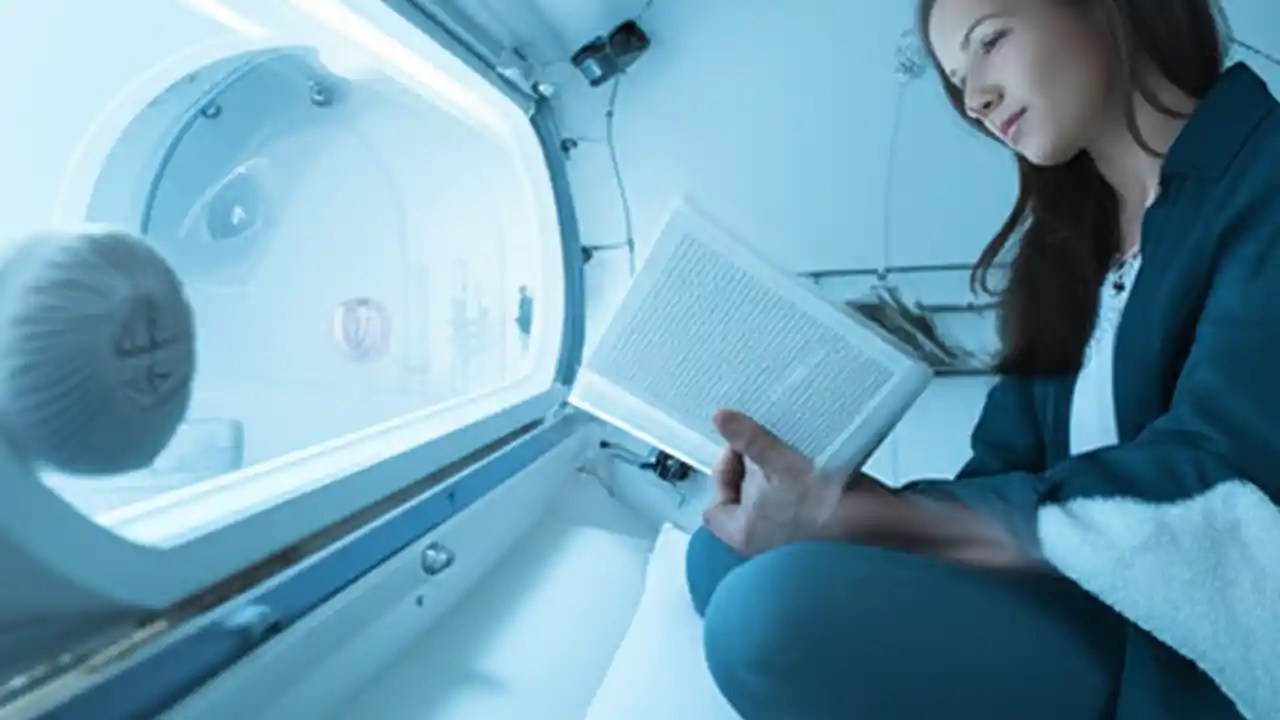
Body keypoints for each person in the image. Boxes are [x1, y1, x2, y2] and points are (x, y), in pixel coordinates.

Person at [685, 1, 1280, 718]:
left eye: (991, 41)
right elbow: (1001, 475)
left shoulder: (1265, 172)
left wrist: (883, 519)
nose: (975, 100)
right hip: (1076, 606)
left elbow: (1220, 471)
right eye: (960, 78)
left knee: (768, 612)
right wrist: (835, 500)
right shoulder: (1063, 249)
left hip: (1195, 644)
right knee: (724, 553)